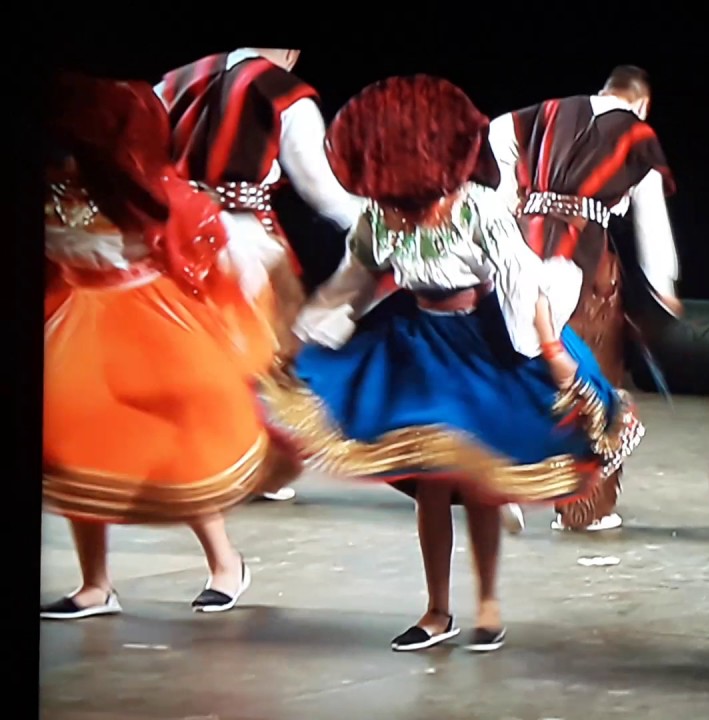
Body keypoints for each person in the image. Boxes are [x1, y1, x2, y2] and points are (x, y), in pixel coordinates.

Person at [257, 75, 643, 651]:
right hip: (416, 347)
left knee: (479, 479)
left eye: (417, 204)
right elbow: (354, 280)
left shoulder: (481, 210)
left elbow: (524, 286)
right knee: (433, 482)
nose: (407, 217)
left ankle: (487, 604)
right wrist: (308, 333)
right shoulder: (381, 216)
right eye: (397, 204)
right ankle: (437, 609)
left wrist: (554, 355)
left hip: (481, 345)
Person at [41, 74, 301, 621]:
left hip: (151, 323)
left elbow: (213, 255)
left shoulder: (158, 196)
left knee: (181, 445)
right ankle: (95, 584)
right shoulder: (52, 190)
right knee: (73, 448)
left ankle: (225, 563)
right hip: (78, 324)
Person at [156, 48, 364, 503]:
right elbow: (322, 191)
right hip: (238, 241)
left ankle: (201, 463)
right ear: (292, 51)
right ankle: (241, 466)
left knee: (195, 351)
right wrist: (381, 223)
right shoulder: (282, 91)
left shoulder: (177, 78)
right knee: (259, 354)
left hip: (169, 235)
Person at [484, 64, 681, 533]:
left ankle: (498, 481)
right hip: (584, 257)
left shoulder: (551, 110)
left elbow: (494, 130)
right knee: (593, 367)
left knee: (521, 359)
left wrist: (511, 190)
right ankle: (582, 507)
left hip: (524, 243)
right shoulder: (637, 133)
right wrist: (663, 284)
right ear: (642, 103)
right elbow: (651, 217)